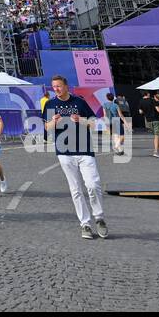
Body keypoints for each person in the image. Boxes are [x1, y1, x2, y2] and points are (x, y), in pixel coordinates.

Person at [44, 75, 107, 239]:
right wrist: (53, 123)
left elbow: (94, 123)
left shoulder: (79, 102)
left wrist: (81, 120)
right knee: (76, 189)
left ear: (66, 86)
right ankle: (85, 224)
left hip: (85, 150)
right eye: (54, 86)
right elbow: (47, 128)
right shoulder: (50, 104)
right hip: (64, 153)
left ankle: (99, 218)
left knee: (93, 185)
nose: (56, 89)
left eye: (58, 86)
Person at [138, 92, 159, 159]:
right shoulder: (152, 100)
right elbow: (158, 110)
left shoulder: (141, 101)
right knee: (157, 136)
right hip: (156, 120)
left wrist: (147, 112)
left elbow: (140, 112)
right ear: (147, 94)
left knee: (158, 137)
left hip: (148, 121)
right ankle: (156, 152)